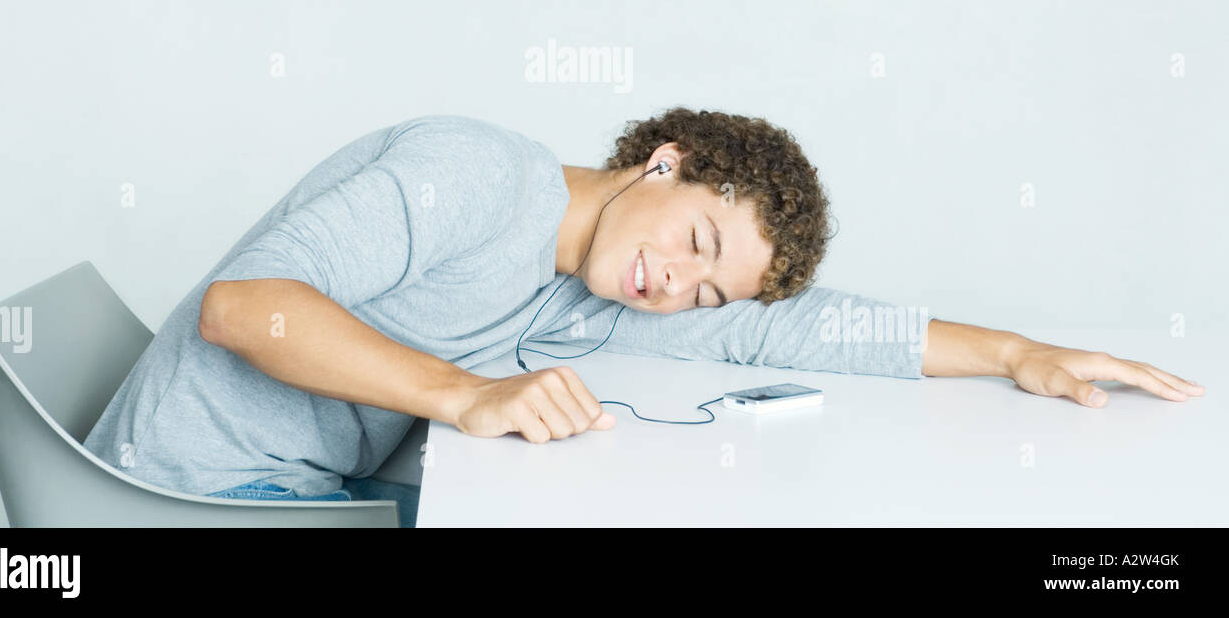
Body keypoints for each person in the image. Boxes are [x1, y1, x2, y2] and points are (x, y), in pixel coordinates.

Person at [83, 109, 1203, 527]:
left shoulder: (596, 295)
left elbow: (807, 330)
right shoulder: (481, 175)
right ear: (657, 160)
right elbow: (244, 310)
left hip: (313, 491)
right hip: (181, 493)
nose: (676, 283)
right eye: (696, 242)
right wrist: (465, 394)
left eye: (706, 289)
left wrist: (1020, 352)